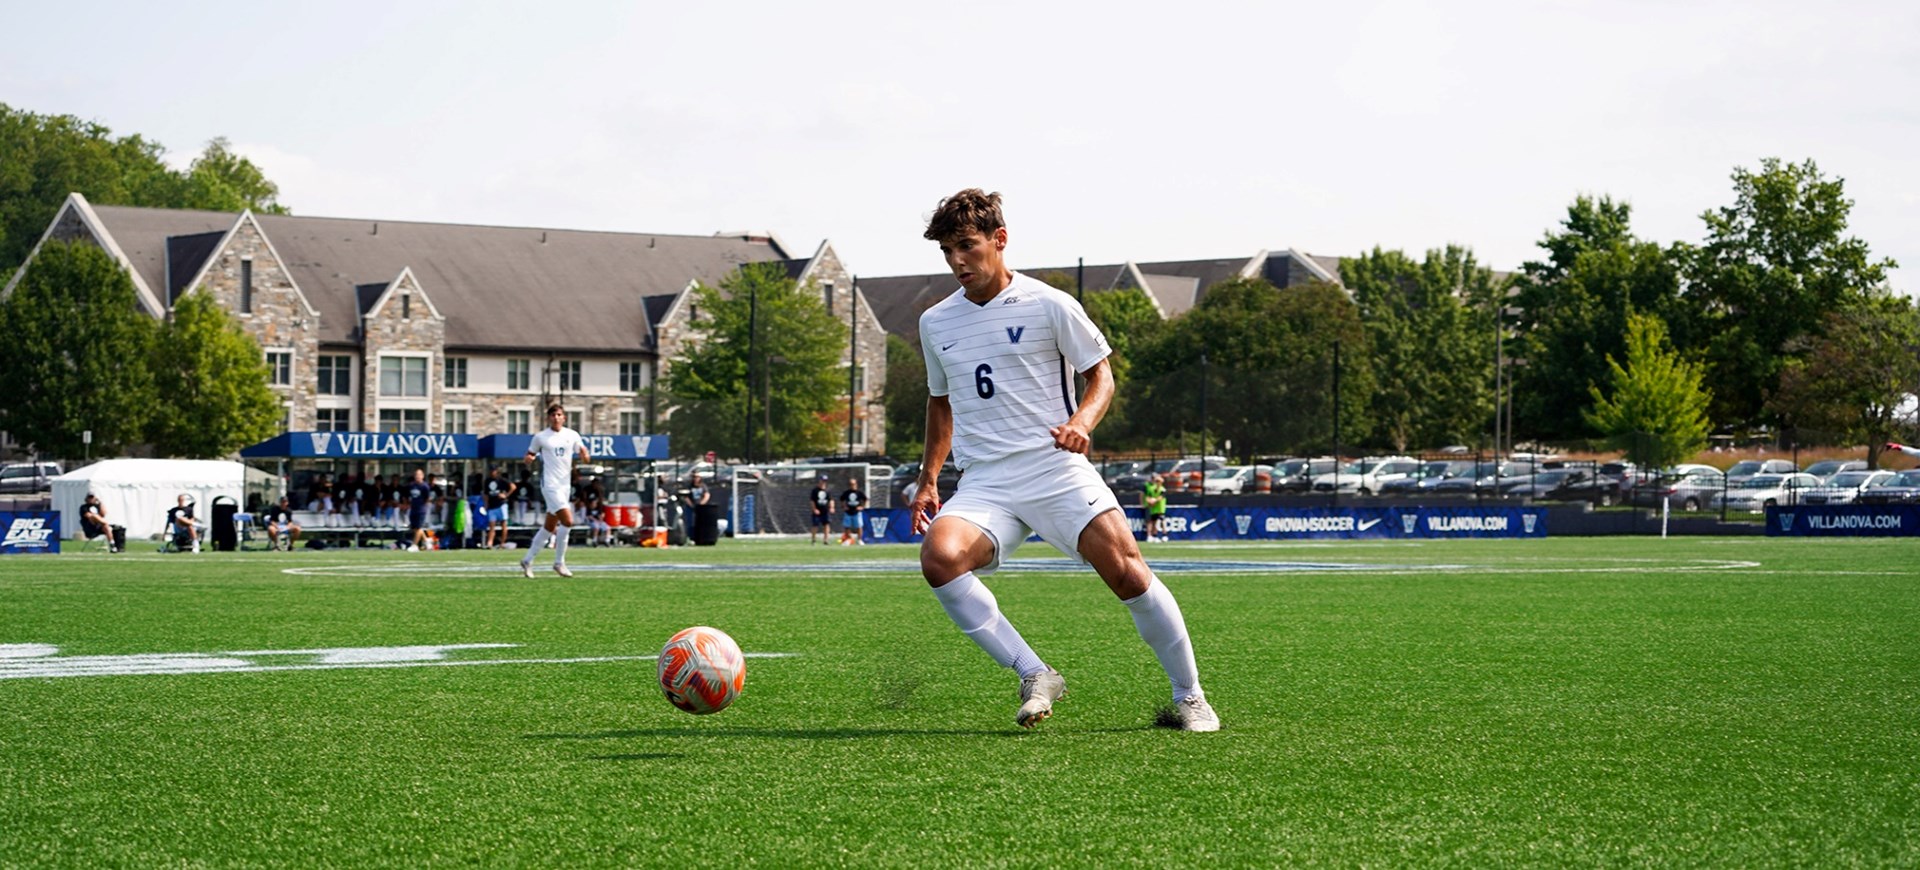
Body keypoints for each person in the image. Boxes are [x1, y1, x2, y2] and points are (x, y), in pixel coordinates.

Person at [907, 189, 1218, 732]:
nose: (957, 261)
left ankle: (1190, 696)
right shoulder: (936, 321)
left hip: (1054, 468)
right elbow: (940, 401)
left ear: (999, 240)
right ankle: (1034, 672)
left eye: (967, 246)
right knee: (940, 558)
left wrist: (1081, 424)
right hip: (985, 481)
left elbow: (1101, 375)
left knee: (1128, 574)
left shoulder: (1049, 304)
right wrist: (929, 478)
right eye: (947, 251)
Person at [520, 403, 591, 577]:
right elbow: (529, 454)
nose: (556, 418)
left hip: (565, 485)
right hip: (550, 484)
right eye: (553, 415)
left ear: (564, 417)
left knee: (549, 526)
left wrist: (585, 454)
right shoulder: (541, 437)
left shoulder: (572, 435)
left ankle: (527, 560)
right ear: (548, 418)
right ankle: (559, 562)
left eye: (559, 415)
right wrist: (528, 459)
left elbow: (583, 453)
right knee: (568, 521)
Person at [483, 466, 517, 549]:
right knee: (491, 525)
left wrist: (506, 495)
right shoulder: (487, 481)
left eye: (493, 471)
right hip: (492, 505)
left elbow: (513, 486)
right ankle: (490, 543)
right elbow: (486, 494)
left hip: (501, 504)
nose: (492, 472)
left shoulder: (501, 480)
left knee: (503, 524)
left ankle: (502, 543)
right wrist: (486, 504)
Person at [404, 469, 435, 551]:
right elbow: (407, 496)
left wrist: (422, 506)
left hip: (421, 509)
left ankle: (414, 545)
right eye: (416, 475)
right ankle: (427, 541)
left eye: (419, 475)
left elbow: (427, 498)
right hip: (413, 509)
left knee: (418, 527)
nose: (417, 477)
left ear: (422, 476)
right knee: (414, 527)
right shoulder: (411, 485)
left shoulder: (425, 486)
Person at [838, 476, 867, 545]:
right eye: (851, 484)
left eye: (853, 484)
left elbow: (865, 499)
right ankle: (848, 539)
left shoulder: (859, 493)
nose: (852, 485)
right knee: (847, 527)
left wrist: (862, 507)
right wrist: (844, 506)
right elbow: (842, 499)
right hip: (848, 512)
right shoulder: (846, 493)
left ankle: (859, 540)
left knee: (859, 526)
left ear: (856, 484)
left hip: (857, 512)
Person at [808, 474, 834, 545]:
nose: (823, 482)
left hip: (825, 511)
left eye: (825, 481)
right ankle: (813, 540)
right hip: (817, 510)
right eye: (822, 480)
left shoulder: (828, 490)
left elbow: (831, 500)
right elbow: (812, 501)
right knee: (815, 525)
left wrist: (832, 507)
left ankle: (826, 540)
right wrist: (814, 509)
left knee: (826, 524)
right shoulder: (815, 490)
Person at [1142, 472, 1168, 543]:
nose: (1157, 483)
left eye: (1159, 481)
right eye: (1157, 481)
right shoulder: (1151, 489)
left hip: (1160, 508)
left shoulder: (1162, 489)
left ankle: (1165, 535)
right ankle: (1155, 535)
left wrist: (1154, 501)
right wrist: (1150, 501)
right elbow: (1148, 497)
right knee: (1154, 522)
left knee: (1162, 521)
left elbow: (1161, 497)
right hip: (1154, 508)